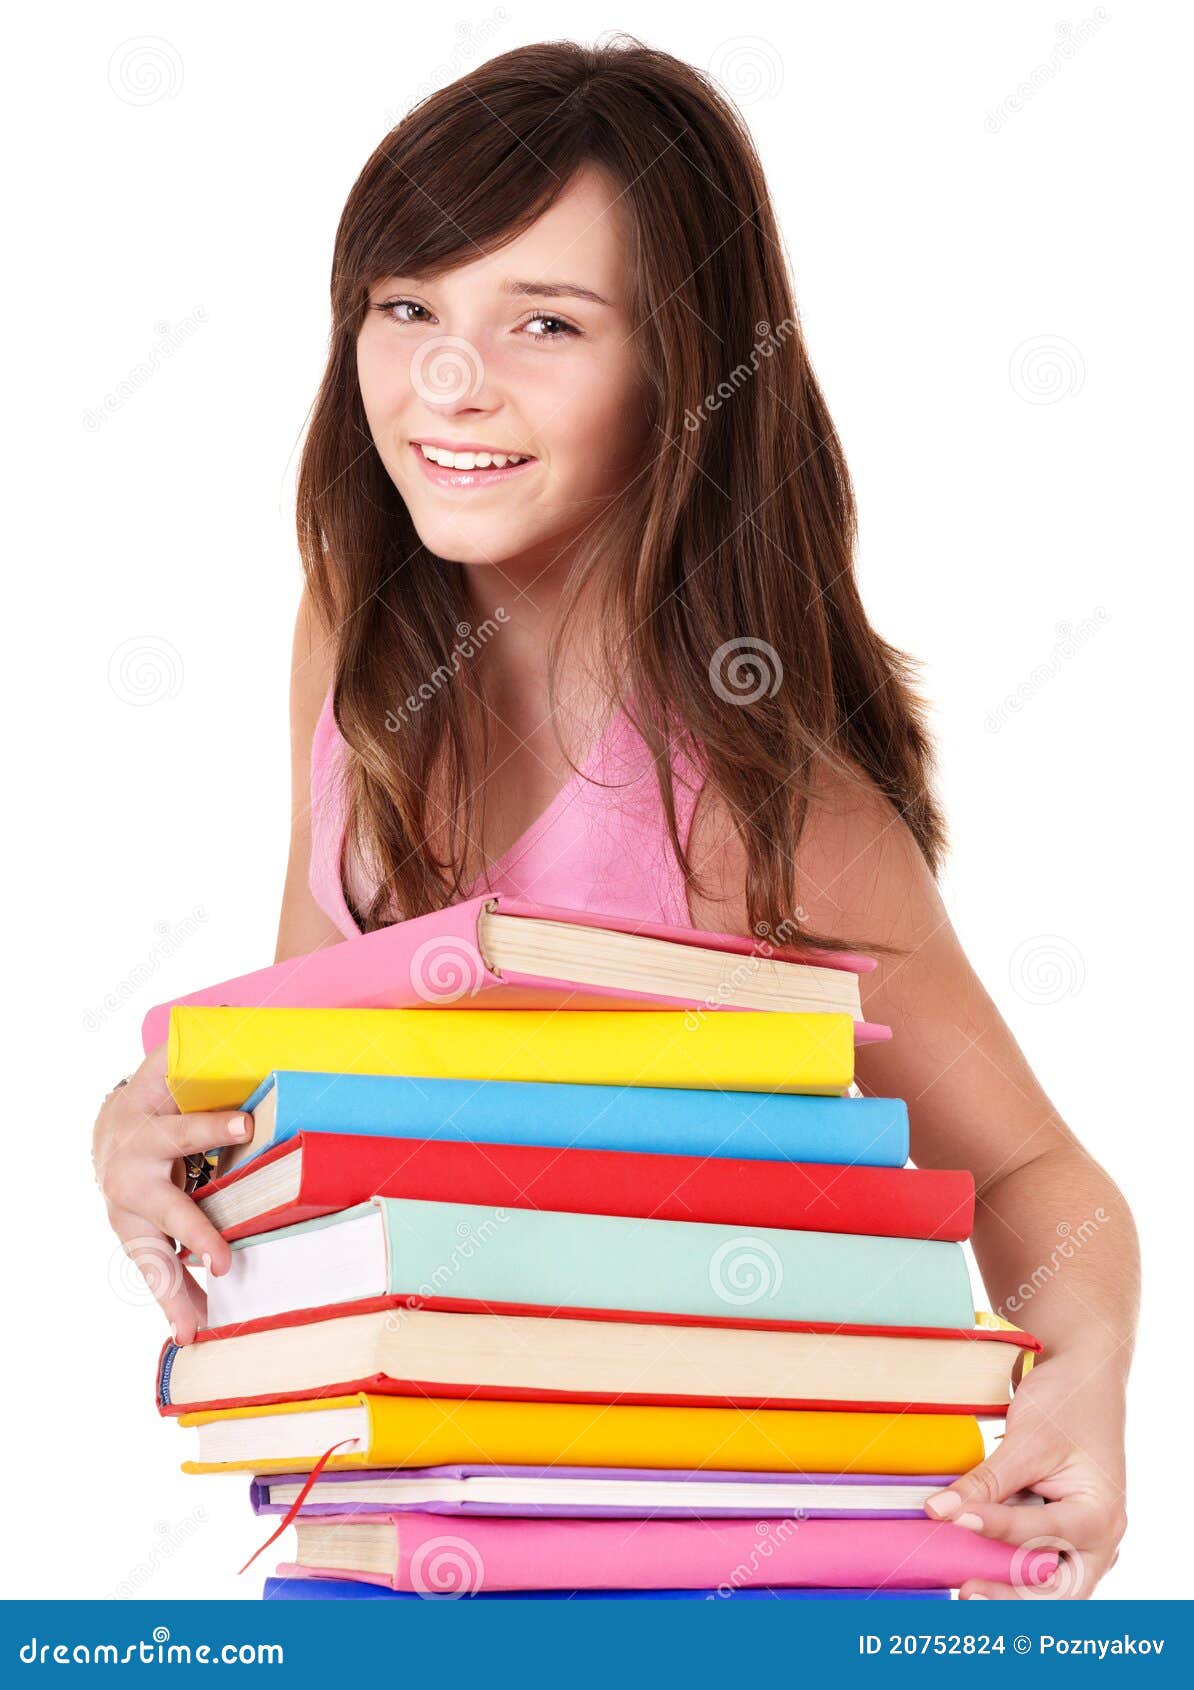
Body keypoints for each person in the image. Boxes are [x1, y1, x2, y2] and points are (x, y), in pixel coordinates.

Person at [91, 36, 1136, 1600]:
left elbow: (1026, 1171)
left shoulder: (761, 797)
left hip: (703, 1563)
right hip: (392, 1529)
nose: (450, 379)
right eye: (408, 307)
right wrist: (146, 1121)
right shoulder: (354, 640)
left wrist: (1084, 1378)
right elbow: (306, 1044)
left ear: (678, 372)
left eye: (546, 323)